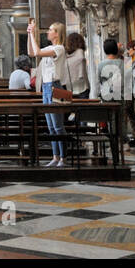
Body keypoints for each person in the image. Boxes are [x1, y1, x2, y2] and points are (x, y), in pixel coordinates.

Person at [27, 19, 68, 167]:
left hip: (54, 87)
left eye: (51, 29)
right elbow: (32, 53)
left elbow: (37, 51)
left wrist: (33, 33)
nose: (48, 32)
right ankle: (55, 156)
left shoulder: (59, 49)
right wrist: (29, 34)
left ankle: (63, 157)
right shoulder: (50, 47)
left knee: (58, 126)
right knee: (50, 126)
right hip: (45, 87)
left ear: (57, 34)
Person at [98, 38, 135, 148]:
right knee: (120, 120)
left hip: (106, 96)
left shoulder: (101, 64)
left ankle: (113, 140)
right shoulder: (125, 63)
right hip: (120, 95)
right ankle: (123, 141)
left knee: (110, 120)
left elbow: (100, 81)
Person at [66, 33, 90, 99]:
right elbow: (81, 60)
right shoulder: (80, 52)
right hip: (82, 87)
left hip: (69, 87)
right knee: (82, 108)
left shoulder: (66, 56)